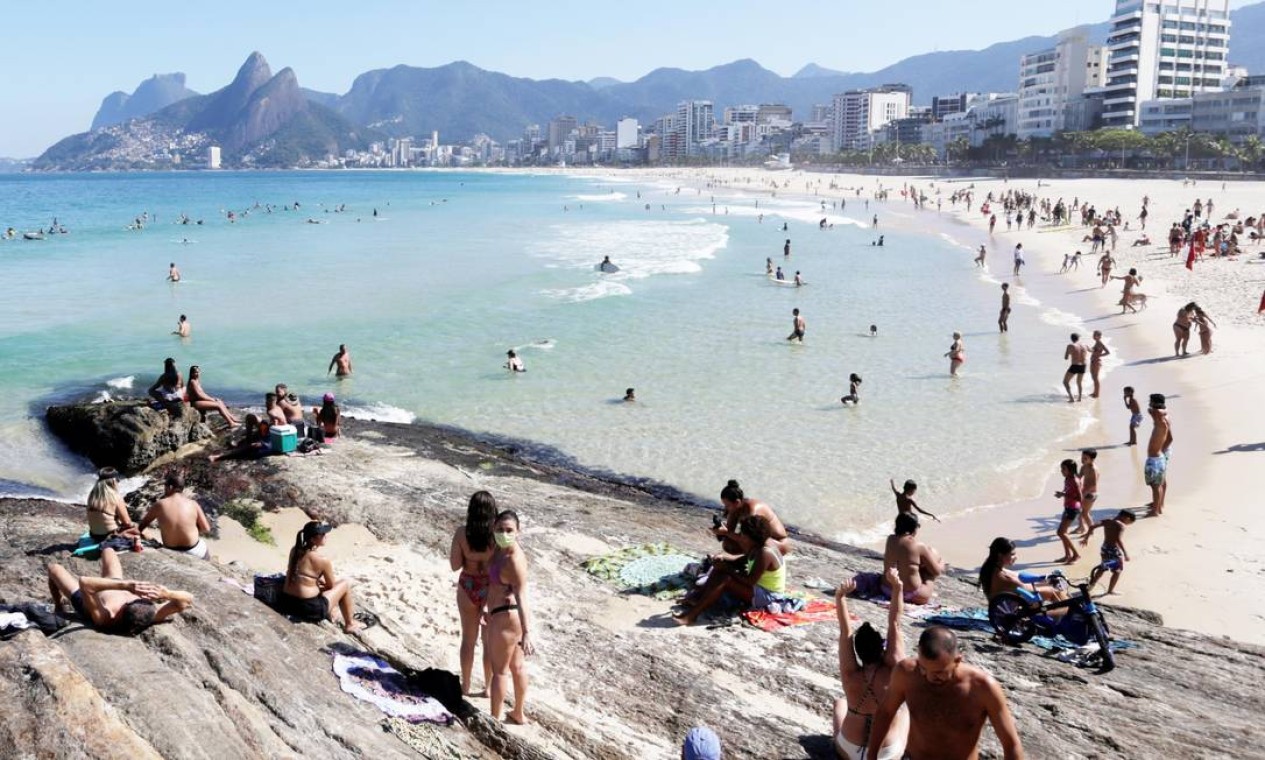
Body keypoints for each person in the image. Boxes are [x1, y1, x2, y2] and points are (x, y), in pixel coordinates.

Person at [866, 627, 1024, 760]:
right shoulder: (906, 673)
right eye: (923, 668)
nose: (929, 677)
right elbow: (885, 713)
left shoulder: (983, 688)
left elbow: (1011, 744)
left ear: (957, 660)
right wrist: (871, 755)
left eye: (939, 672)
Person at [833, 568, 909, 760]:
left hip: (849, 750)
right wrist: (897, 587)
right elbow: (895, 623)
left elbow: (845, 632)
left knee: (840, 703)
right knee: (905, 711)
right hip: (886, 753)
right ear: (882, 648)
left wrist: (840, 596)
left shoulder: (850, 673)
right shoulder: (893, 669)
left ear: (857, 652)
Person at [47, 547, 192, 634]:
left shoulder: (105, 618)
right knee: (108, 550)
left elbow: (85, 583)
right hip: (116, 583)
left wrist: (127, 586)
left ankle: (59, 606)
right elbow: (187, 600)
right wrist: (167, 594)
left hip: (88, 596)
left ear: (121, 611)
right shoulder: (151, 615)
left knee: (54, 569)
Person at [675, 513, 784, 626]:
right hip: (757, 587)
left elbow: (750, 581)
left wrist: (727, 568)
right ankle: (697, 598)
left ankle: (691, 616)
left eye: (743, 534)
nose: (741, 537)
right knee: (719, 569)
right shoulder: (757, 545)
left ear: (751, 537)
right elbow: (745, 560)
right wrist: (724, 560)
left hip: (768, 596)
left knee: (725, 578)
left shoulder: (765, 552)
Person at [485, 510, 534, 723]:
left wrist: (528, 632)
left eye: (509, 530)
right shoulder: (500, 550)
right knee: (516, 666)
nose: (504, 533)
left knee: (500, 672)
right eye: (499, 529)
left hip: (506, 618)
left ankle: (494, 719)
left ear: (518, 532)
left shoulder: (514, 560)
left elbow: (522, 597)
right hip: (503, 615)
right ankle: (518, 713)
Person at [450, 491, 497, 696]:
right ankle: (488, 688)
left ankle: (466, 686)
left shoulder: (462, 533)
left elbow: (454, 565)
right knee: (488, 643)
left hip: (468, 585)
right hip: (490, 588)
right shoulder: (496, 536)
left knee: (468, 640)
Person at [279, 521, 364, 633]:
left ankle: (332, 611)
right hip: (308, 609)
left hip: (287, 602)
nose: (326, 536)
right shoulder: (322, 560)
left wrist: (316, 584)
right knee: (344, 584)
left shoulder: (294, 550)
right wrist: (319, 586)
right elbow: (331, 586)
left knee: (319, 583)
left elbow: (299, 574)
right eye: (323, 534)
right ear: (313, 539)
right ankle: (350, 624)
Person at [135, 471, 211, 560]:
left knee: (147, 533)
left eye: (165, 486)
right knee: (204, 550)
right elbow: (206, 529)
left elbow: (141, 527)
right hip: (194, 551)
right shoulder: (193, 504)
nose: (164, 489)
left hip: (171, 551)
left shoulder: (160, 504)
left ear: (170, 487)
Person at [712, 479, 791, 557]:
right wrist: (720, 529)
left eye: (727, 505)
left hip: (778, 542)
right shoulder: (735, 508)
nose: (726, 508)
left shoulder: (752, 510)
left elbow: (748, 538)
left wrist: (726, 532)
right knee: (728, 545)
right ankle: (750, 559)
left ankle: (757, 561)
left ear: (737, 502)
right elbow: (730, 529)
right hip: (760, 540)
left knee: (749, 542)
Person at [978, 537, 1066, 605]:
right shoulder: (1004, 577)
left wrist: (1044, 579)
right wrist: (1049, 583)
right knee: (1056, 591)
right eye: (1012, 554)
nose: (1015, 557)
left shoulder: (990, 565)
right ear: (1000, 555)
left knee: (1052, 588)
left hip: (1000, 605)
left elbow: (1017, 575)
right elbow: (1028, 588)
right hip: (1011, 610)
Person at [881, 513, 944, 605]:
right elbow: (936, 572)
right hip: (913, 595)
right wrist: (941, 563)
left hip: (887, 589)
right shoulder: (919, 546)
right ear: (913, 527)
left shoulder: (890, 539)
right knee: (932, 562)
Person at [85, 467, 138, 543]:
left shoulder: (92, 495)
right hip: (109, 535)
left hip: (94, 535)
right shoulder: (115, 497)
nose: (118, 482)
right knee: (141, 529)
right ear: (113, 481)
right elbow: (127, 522)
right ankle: (156, 546)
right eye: (117, 480)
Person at [1145, 393, 1173, 516]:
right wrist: (1162, 449)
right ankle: (1159, 505)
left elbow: (1152, 411)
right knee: (1160, 482)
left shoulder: (1159, 417)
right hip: (1160, 455)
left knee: (1155, 485)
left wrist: (1157, 408)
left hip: (1155, 457)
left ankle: (1156, 510)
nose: (1149, 404)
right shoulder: (1165, 419)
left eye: (1150, 401)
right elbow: (1170, 438)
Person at [1053, 459, 1082, 564]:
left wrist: (1064, 495)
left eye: (1064, 469)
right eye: (1061, 468)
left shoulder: (1075, 480)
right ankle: (1067, 555)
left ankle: (1076, 554)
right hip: (1068, 507)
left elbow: (1079, 496)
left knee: (1061, 532)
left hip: (1073, 509)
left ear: (1071, 470)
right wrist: (1062, 493)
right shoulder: (1067, 479)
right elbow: (1068, 490)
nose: (1061, 471)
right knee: (1063, 532)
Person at [1062, 333, 1088, 403]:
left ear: (1071, 339)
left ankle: (1071, 398)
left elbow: (1066, 358)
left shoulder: (1070, 346)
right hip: (1083, 365)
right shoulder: (1084, 345)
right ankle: (1079, 398)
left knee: (1065, 382)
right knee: (1079, 382)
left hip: (1075, 365)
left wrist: (1070, 352)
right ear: (1078, 338)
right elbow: (1092, 350)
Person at [1078, 449, 1099, 536]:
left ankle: (1091, 531)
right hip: (1084, 491)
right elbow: (1078, 477)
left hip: (1091, 494)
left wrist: (1084, 493)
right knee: (1078, 510)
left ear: (1092, 459)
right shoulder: (1083, 467)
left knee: (1085, 513)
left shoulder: (1093, 469)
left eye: (1085, 458)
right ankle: (1081, 527)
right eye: (1082, 457)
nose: (1082, 460)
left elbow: (1093, 485)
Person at [1088, 331, 1109, 399]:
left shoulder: (1099, 343)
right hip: (1094, 361)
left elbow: (1107, 352)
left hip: (1096, 362)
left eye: (1095, 335)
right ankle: (1095, 392)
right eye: (1093, 335)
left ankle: (1096, 394)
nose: (1093, 336)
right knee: (1094, 377)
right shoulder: (1098, 343)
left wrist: (1099, 355)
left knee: (1095, 378)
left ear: (1099, 336)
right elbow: (1106, 352)